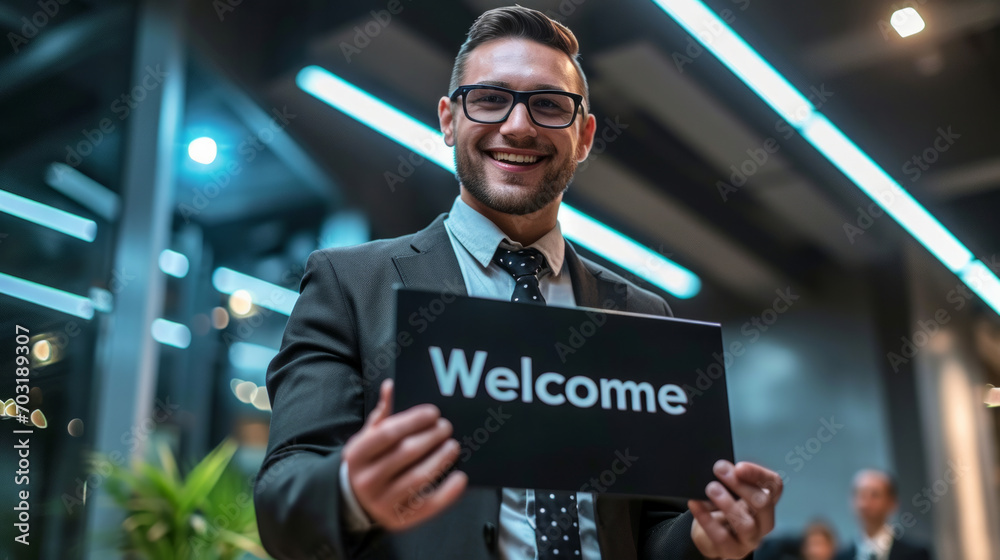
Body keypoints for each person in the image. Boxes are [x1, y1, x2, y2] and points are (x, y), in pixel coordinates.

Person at [254, 6, 783, 559]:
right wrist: (349, 492)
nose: (518, 126)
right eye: (489, 98)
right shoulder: (350, 285)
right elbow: (282, 502)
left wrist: (706, 539)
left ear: (583, 136)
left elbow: (653, 532)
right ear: (448, 119)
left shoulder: (642, 315)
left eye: (550, 105)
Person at [834, 470, 931, 560]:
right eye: (861, 495)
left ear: (892, 502)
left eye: (874, 495)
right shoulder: (840, 557)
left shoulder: (916, 554)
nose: (865, 504)